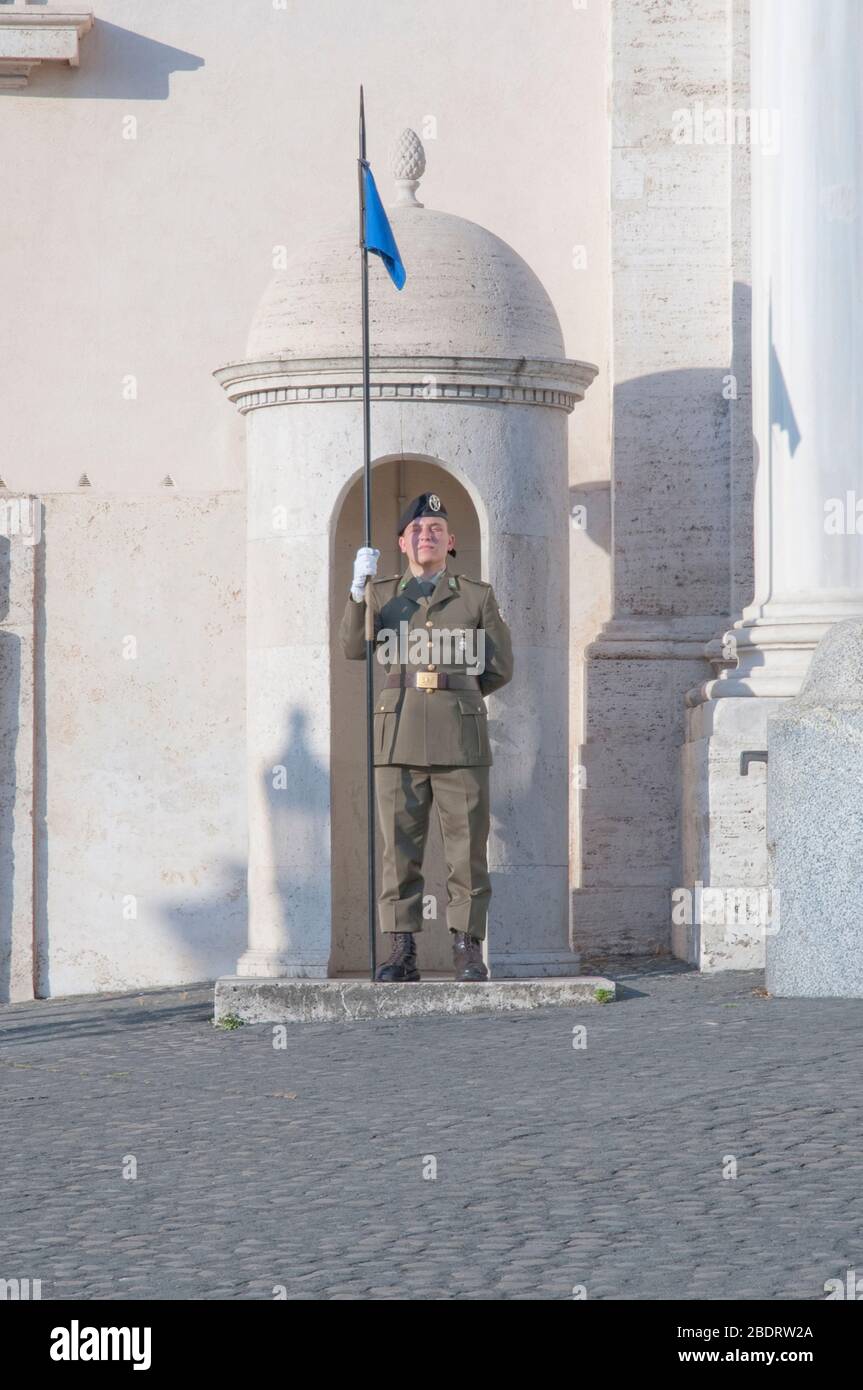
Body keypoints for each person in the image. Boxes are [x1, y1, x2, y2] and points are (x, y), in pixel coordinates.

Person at [339, 492, 513, 982]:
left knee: (466, 852)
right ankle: (401, 950)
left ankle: (467, 948)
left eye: (436, 528)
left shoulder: (475, 596)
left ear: (451, 541)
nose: (426, 535)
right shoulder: (383, 595)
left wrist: (460, 693)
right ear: (401, 542)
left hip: (460, 738)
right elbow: (353, 648)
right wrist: (357, 592)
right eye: (416, 530)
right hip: (397, 737)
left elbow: (501, 665)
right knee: (398, 850)